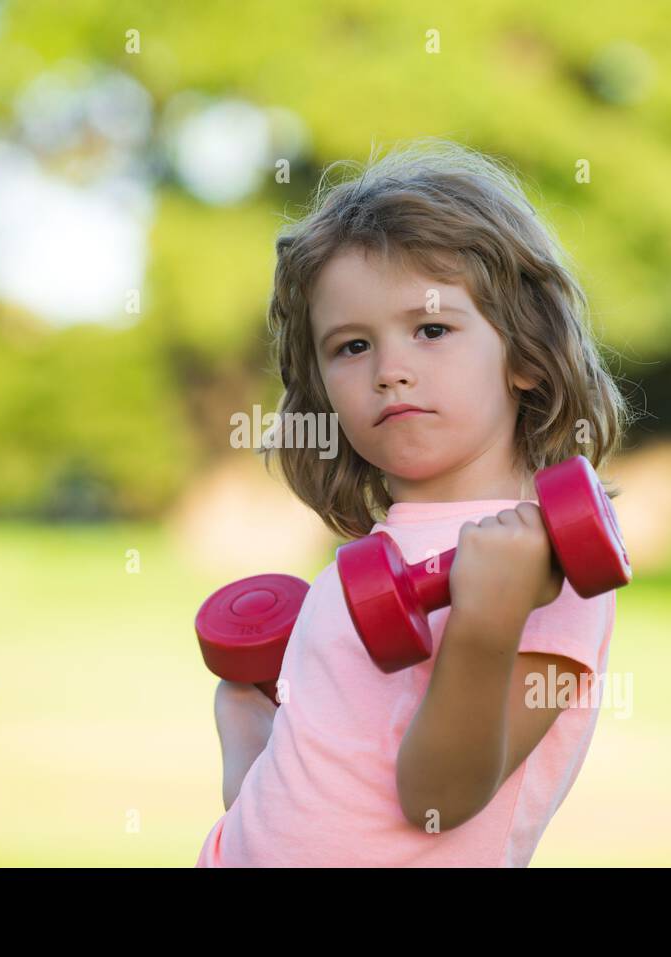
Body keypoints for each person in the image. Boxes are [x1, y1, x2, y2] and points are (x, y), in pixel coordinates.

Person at [197, 137, 633, 867]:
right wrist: (250, 729)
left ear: (525, 353)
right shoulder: (359, 566)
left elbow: (436, 800)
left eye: (431, 329)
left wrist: (487, 621)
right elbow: (308, 809)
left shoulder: (545, 562)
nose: (391, 370)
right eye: (351, 346)